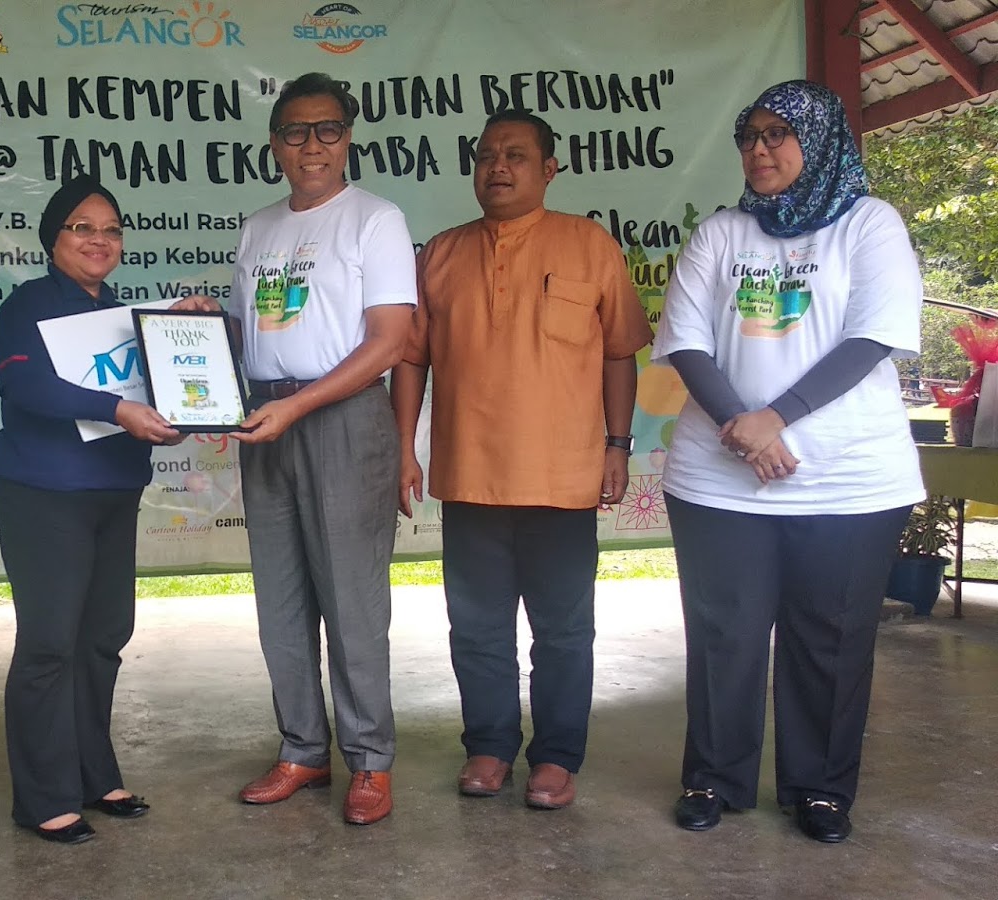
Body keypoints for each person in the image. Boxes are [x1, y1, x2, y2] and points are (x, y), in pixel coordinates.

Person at [652, 80, 924, 843]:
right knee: (724, 635)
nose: (760, 149)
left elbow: (874, 336)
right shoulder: (722, 233)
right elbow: (685, 342)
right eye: (750, 136)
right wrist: (743, 425)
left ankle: (820, 790)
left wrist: (776, 419)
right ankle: (714, 778)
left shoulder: (869, 225)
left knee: (829, 640)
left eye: (778, 134)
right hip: (718, 478)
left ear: (821, 140)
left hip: (847, 478)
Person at [391, 110, 653, 811]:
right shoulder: (441, 254)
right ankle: (489, 746)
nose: (497, 168)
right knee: (476, 626)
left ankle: (558, 756)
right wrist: (401, 450)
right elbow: (411, 360)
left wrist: (618, 447)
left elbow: (620, 351)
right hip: (470, 474)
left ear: (549, 170)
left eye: (515, 156)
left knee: (564, 630)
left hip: (563, 478)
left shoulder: (588, 244)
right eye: (486, 156)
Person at [0, 176, 210, 845]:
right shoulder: (27, 305)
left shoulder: (127, 315)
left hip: (114, 492)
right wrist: (116, 408)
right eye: (82, 227)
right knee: (51, 645)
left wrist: (188, 333)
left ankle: (94, 774)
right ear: (54, 238)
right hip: (43, 494)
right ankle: (43, 797)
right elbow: (26, 383)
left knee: (103, 637)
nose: (99, 240)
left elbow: (168, 392)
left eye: (110, 228)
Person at [228, 72, 417, 826]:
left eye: (328, 129)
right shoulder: (258, 227)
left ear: (348, 137)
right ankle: (303, 750)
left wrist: (299, 405)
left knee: (352, 600)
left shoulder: (375, 219)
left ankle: (370, 762)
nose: (312, 146)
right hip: (266, 417)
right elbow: (251, 336)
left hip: (340, 417)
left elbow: (390, 343)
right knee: (280, 600)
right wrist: (203, 325)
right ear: (274, 144)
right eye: (295, 132)